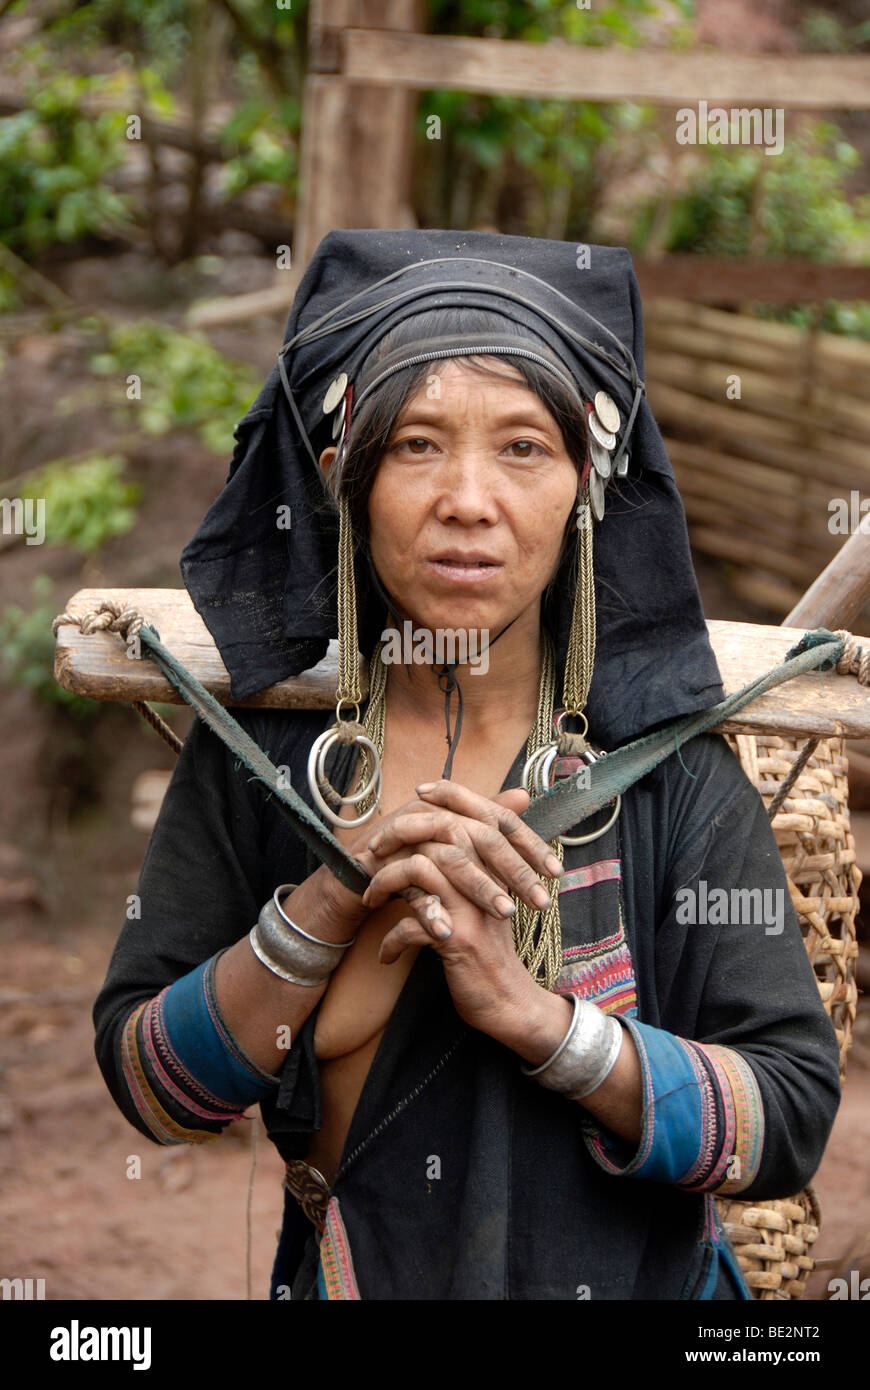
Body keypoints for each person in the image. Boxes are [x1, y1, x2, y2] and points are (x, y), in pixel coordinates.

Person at [93, 229, 840, 1301]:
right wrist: (332, 899)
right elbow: (150, 1086)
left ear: (584, 482)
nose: (469, 500)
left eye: (525, 448)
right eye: (418, 446)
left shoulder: (670, 774)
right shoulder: (264, 760)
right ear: (344, 477)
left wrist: (538, 1020)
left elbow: (790, 1115)